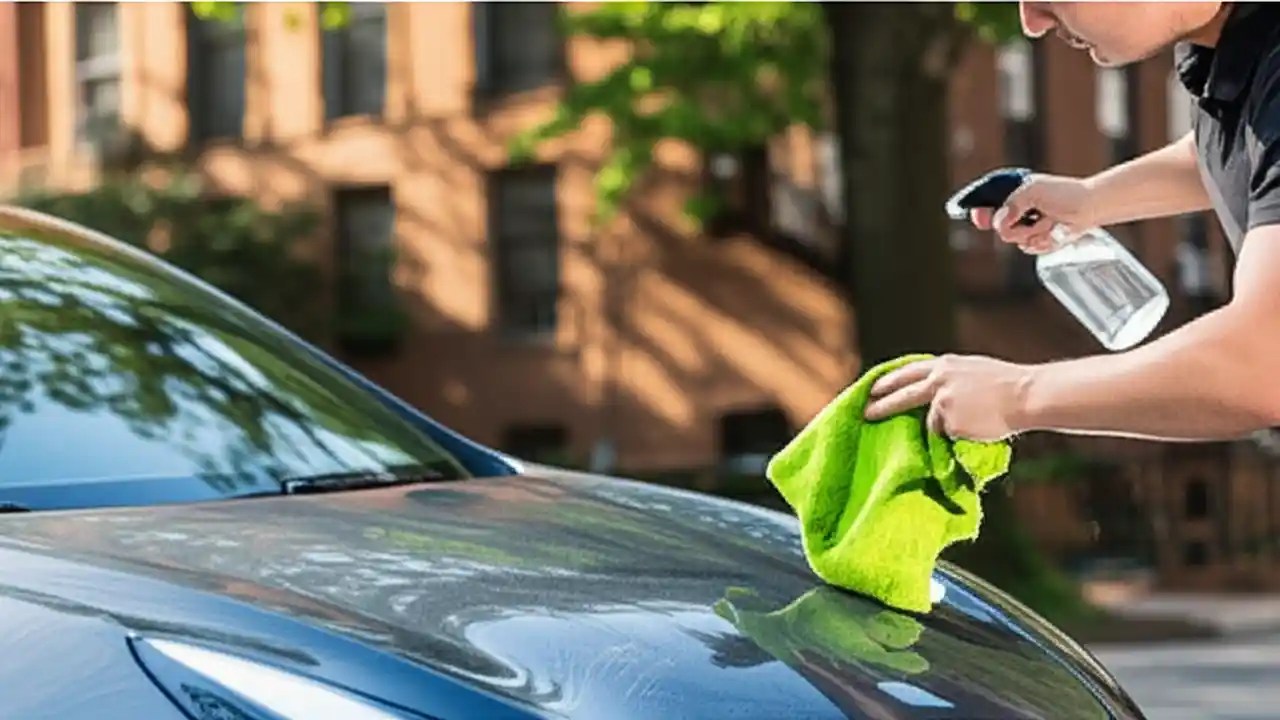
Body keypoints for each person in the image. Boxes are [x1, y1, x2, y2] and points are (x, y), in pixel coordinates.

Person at [863, 2, 1280, 443]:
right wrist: (1091, 199)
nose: (1033, 22)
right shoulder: (1232, 48)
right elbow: (1244, 150)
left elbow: (1264, 358)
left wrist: (1016, 398)